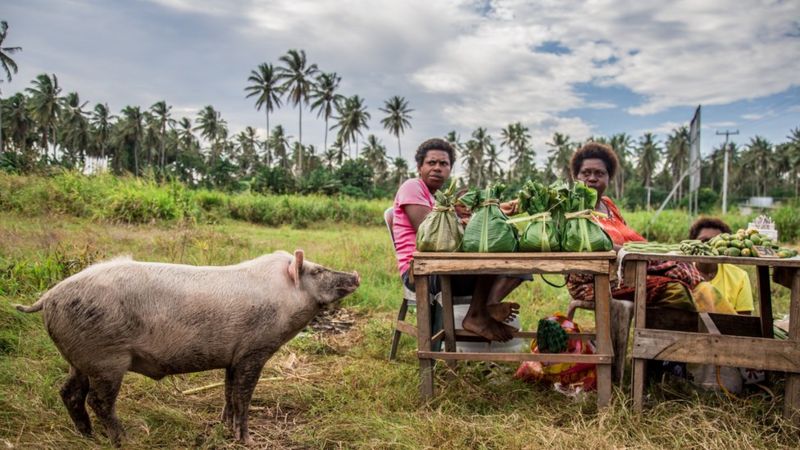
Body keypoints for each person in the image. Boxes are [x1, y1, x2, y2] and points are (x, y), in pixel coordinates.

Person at [563, 142, 728, 312]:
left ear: (608, 178)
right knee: (675, 289)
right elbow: (594, 245)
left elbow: (628, 239)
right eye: (586, 173)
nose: (592, 178)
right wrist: (638, 255)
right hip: (595, 281)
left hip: (629, 272)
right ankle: (670, 336)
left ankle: (723, 331)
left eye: (599, 173)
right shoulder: (572, 208)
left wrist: (649, 254)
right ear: (576, 176)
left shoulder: (608, 205)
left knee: (691, 277)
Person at [393, 138, 523, 342]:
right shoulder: (412, 187)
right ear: (419, 167)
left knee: (517, 260)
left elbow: (463, 225)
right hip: (421, 274)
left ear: (450, 169)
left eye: (443, 164)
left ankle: (486, 307)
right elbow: (434, 235)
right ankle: (479, 314)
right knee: (488, 258)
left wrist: (496, 210)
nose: (437, 168)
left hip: (445, 269)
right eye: (431, 162)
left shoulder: (441, 200)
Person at [689, 217, 754, 315]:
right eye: (704, 240)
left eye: (715, 241)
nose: (708, 246)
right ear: (692, 243)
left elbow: (744, 320)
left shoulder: (739, 277)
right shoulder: (683, 273)